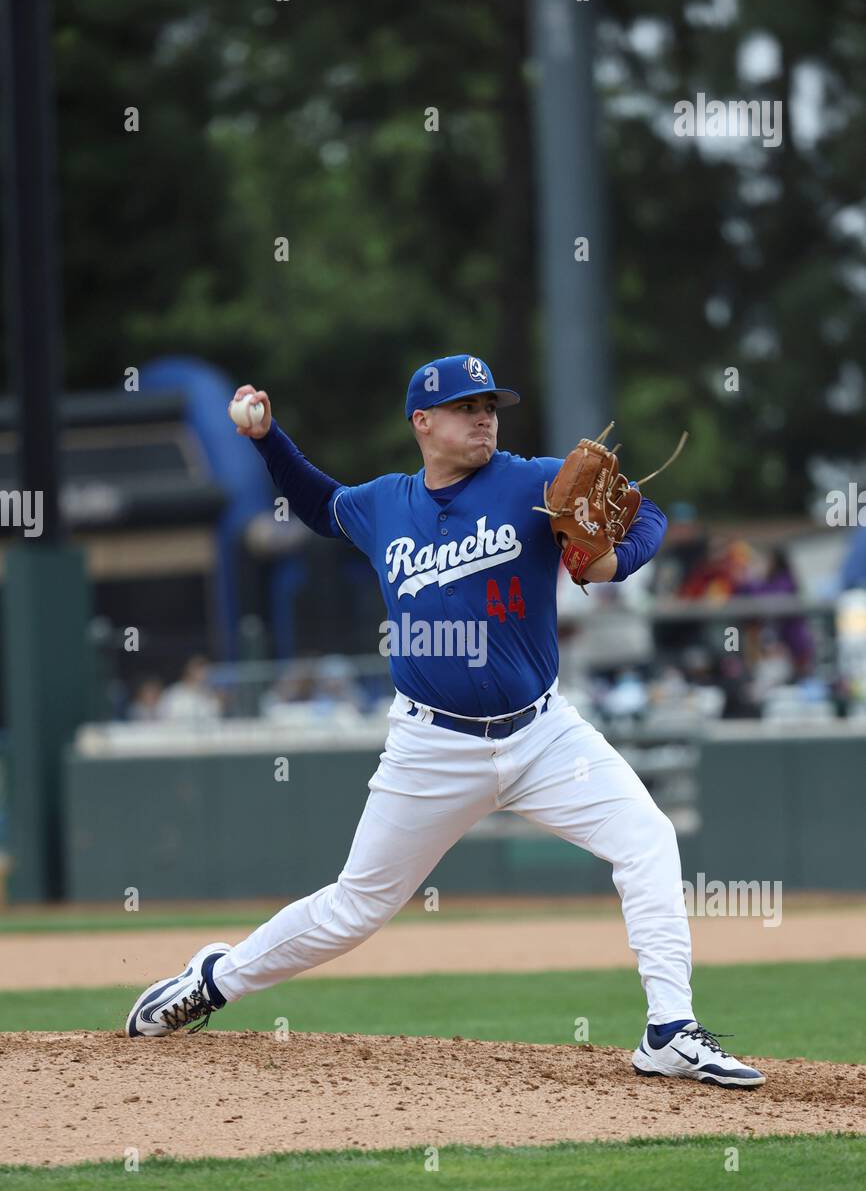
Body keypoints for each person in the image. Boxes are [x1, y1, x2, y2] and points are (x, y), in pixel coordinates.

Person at [126, 354, 764, 1088]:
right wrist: (268, 439)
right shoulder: (384, 503)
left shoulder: (533, 481)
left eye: (490, 404)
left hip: (543, 734)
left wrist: (611, 562)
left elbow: (645, 513)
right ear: (422, 422)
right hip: (432, 745)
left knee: (647, 837)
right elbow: (317, 502)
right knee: (355, 908)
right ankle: (214, 979)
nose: (484, 417)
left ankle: (669, 1031)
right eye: (466, 407)